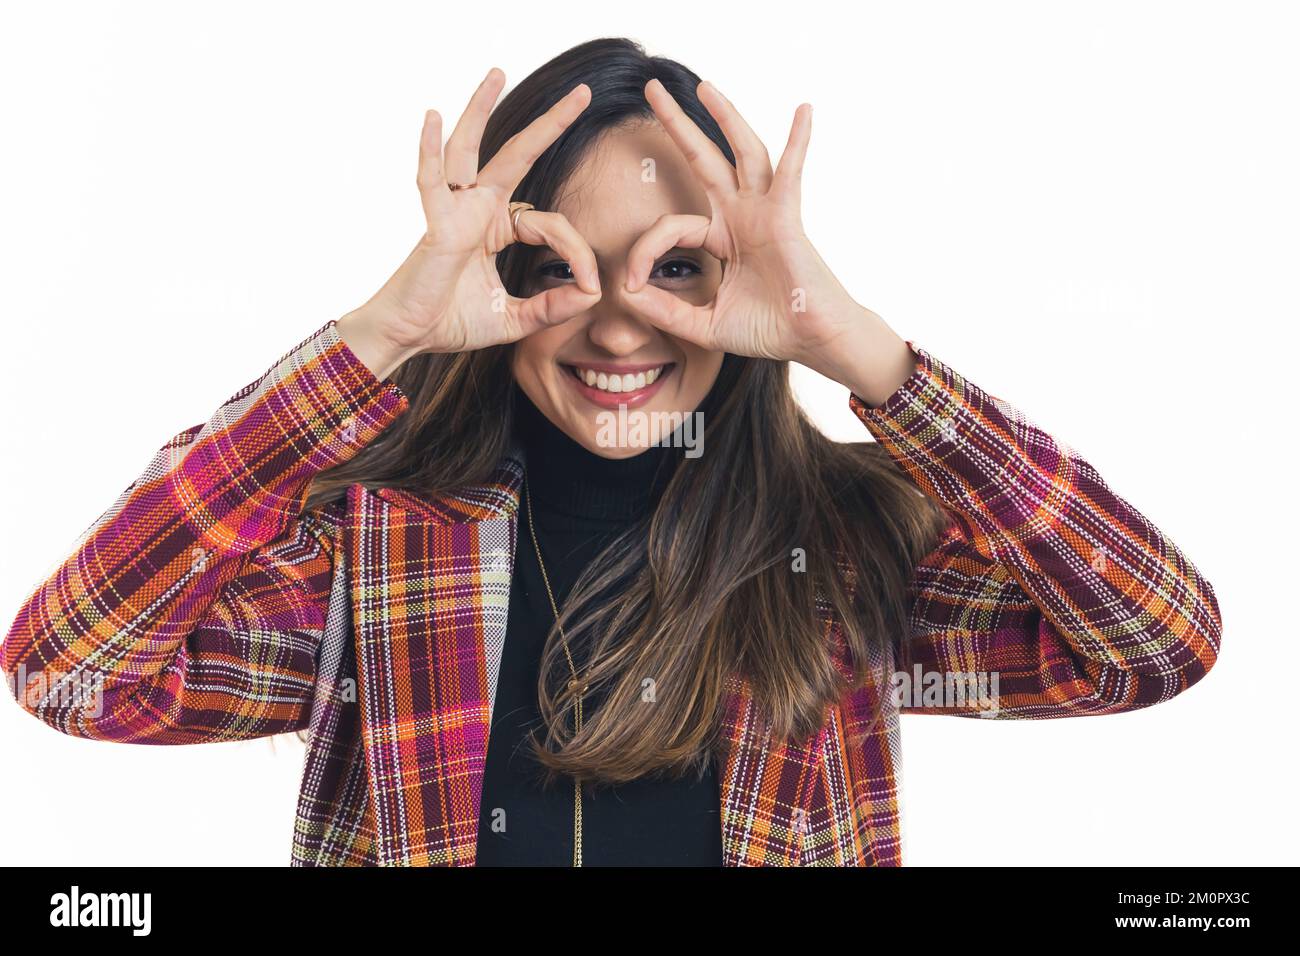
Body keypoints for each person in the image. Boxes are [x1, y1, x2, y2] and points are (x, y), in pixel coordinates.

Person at [0, 37, 1222, 867]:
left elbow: (1153, 644)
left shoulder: (844, 551)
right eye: (559, 264)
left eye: (677, 266)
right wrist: (377, 339)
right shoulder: (370, 557)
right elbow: (72, 671)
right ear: (502, 272)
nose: (623, 322)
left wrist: (861, 353)